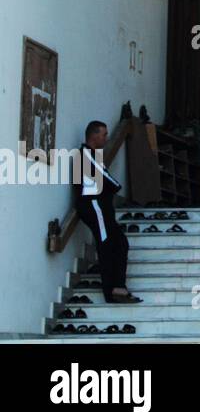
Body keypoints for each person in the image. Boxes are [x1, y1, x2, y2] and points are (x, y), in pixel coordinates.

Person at [73, 121, 142, 304]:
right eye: (104, 134)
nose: (106, 138)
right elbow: (108, 181)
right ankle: (112, 290)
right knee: (107, 245)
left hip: (100, 207)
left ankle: (117, 287)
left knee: (118, 242)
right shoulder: (85, 155)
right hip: (94, 205)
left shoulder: (93, 156)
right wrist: (117, 186)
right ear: (94, 135)